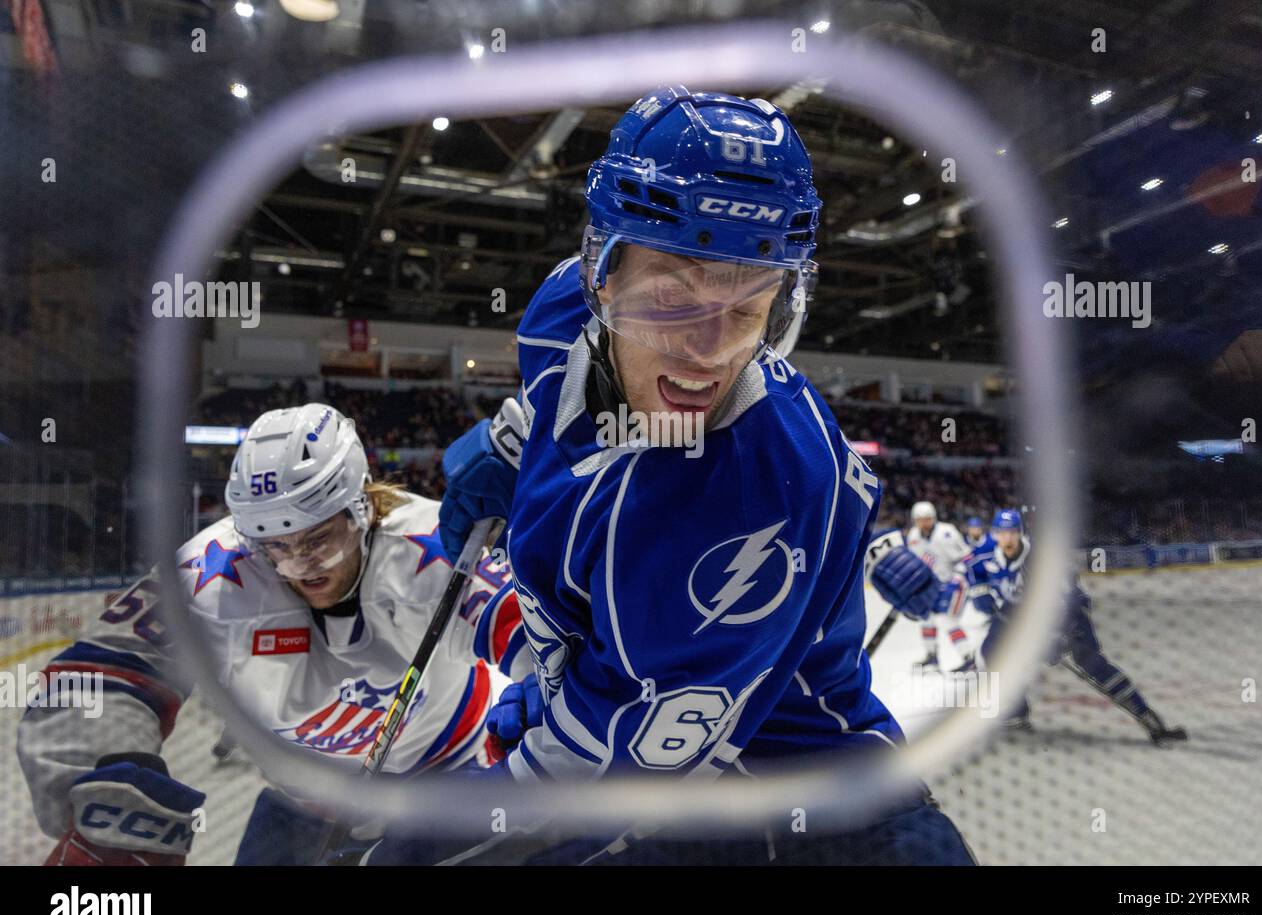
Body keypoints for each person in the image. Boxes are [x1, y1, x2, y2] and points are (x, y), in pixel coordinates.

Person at [431, 87, 975, 865]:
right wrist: (511, 436)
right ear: (600, 276)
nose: (708, 353)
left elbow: (618, 754)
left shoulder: (755, 491)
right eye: (670, 300)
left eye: (748, 310)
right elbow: (565, 413)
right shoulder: (557, 316)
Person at [18, 403, 528, 865]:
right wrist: (102, 777)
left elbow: (545, 643)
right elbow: (104, 674)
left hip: (449, 779)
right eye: (273, 546)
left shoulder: (439, 549)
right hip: (303, 804)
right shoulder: (212, 572)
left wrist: (542, 731)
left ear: (362, 508)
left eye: (317, 539)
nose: (297, 564)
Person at [960, 508, 1188, 745]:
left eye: (1012, 532)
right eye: (1001, 533)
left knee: (1093, 665)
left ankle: (1149, 719)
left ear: (1021, 533)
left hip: (1067, 616)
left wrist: (1056, 637)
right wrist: (984, 600)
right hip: (1016, 616)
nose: (1007, 538)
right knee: (992, 652)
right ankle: (1016, 712)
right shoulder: (982, 556)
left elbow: (1065, 601)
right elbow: (980, 590)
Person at [906, 501, 975, 671]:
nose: (924, 522)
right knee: (926, 619)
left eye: (927, 518)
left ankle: (969, 658)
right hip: (931, 586)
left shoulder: (947, 532)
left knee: (947, 620)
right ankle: (932, 657)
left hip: (954, 583)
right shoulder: (913, 536)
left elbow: (966, 556)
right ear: (915, 520)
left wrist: (958, 576)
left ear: (934, 517)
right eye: (920, 519)